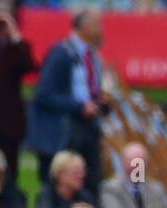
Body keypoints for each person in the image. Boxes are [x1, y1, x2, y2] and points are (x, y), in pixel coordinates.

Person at [28, 7, 109, 192]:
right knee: (60, 176)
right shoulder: (61, 53)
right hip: (65, 126)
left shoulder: (92, 56)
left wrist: (97, 103)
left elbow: (89, 89)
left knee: (92, 173)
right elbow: (43, 94)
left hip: (88, 124)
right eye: (97, 25)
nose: (101, 30)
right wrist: (78, 106)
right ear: (84, 27)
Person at [0, 2, 36, 182]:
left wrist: (14, 34)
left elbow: (29, 66)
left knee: (11, 170)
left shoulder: (14, 46)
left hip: (10, 121)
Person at [36, 151, 110, 208]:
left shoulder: (84, 195)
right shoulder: (46, 194)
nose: (81, 175)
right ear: (60, 175)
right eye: (76, 172)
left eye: (82, 171)